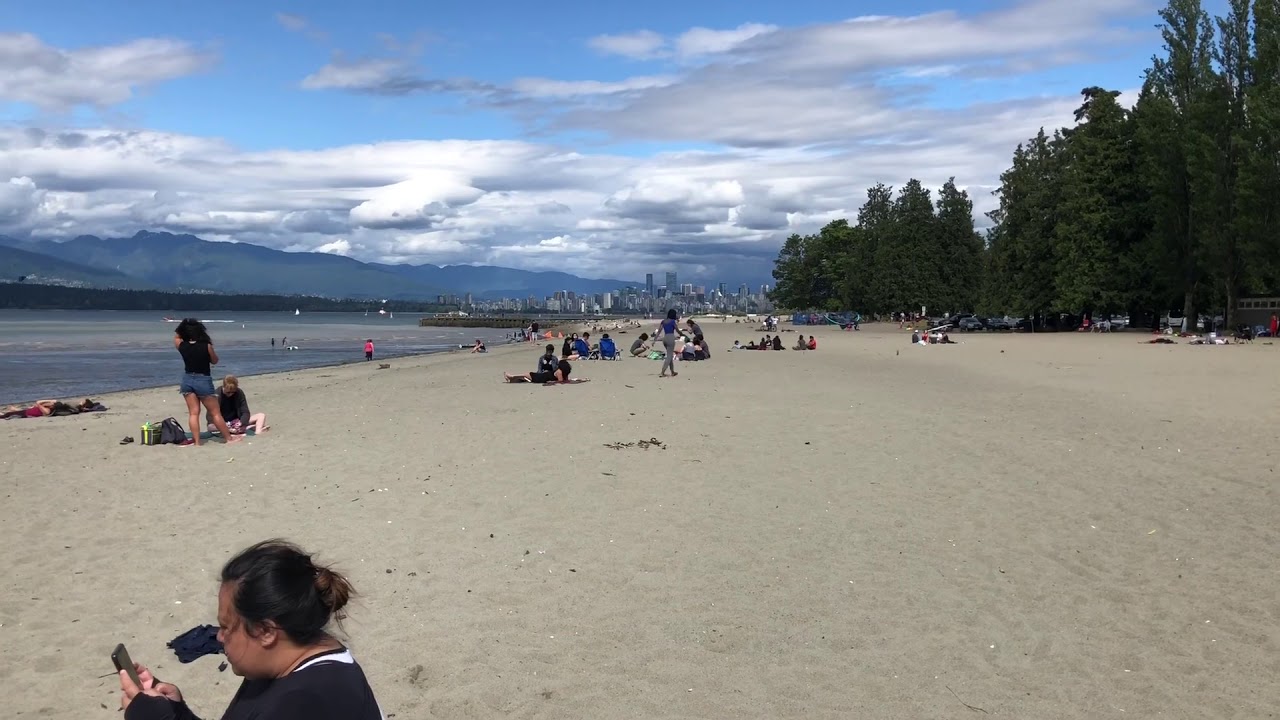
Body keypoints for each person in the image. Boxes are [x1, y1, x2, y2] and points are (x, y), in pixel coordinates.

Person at [119, 539, 384, 720]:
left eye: (226, 627)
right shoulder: (285, 663)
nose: (220, 637)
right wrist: (175, 714)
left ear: (267, 631)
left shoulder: (306, 702)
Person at [175, 319, 237, 446]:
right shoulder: (206, 346)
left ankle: (197, 442)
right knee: (215, 413)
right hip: (203, 379)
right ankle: (228, 438)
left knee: (193, 413)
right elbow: (214, 361)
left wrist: (185, 324)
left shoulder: (182, 345)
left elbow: (177, 335)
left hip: (187, 379)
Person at [656, 309, 679, 377]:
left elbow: (659, 331)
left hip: (665, 338)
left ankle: (672, 371)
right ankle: (662, 372)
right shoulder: (672, 321)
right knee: (669, 356)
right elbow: (677, 329)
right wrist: (682, 334)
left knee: (669, 354)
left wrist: (655, 340)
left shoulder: (663, 321)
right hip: (670, 338)